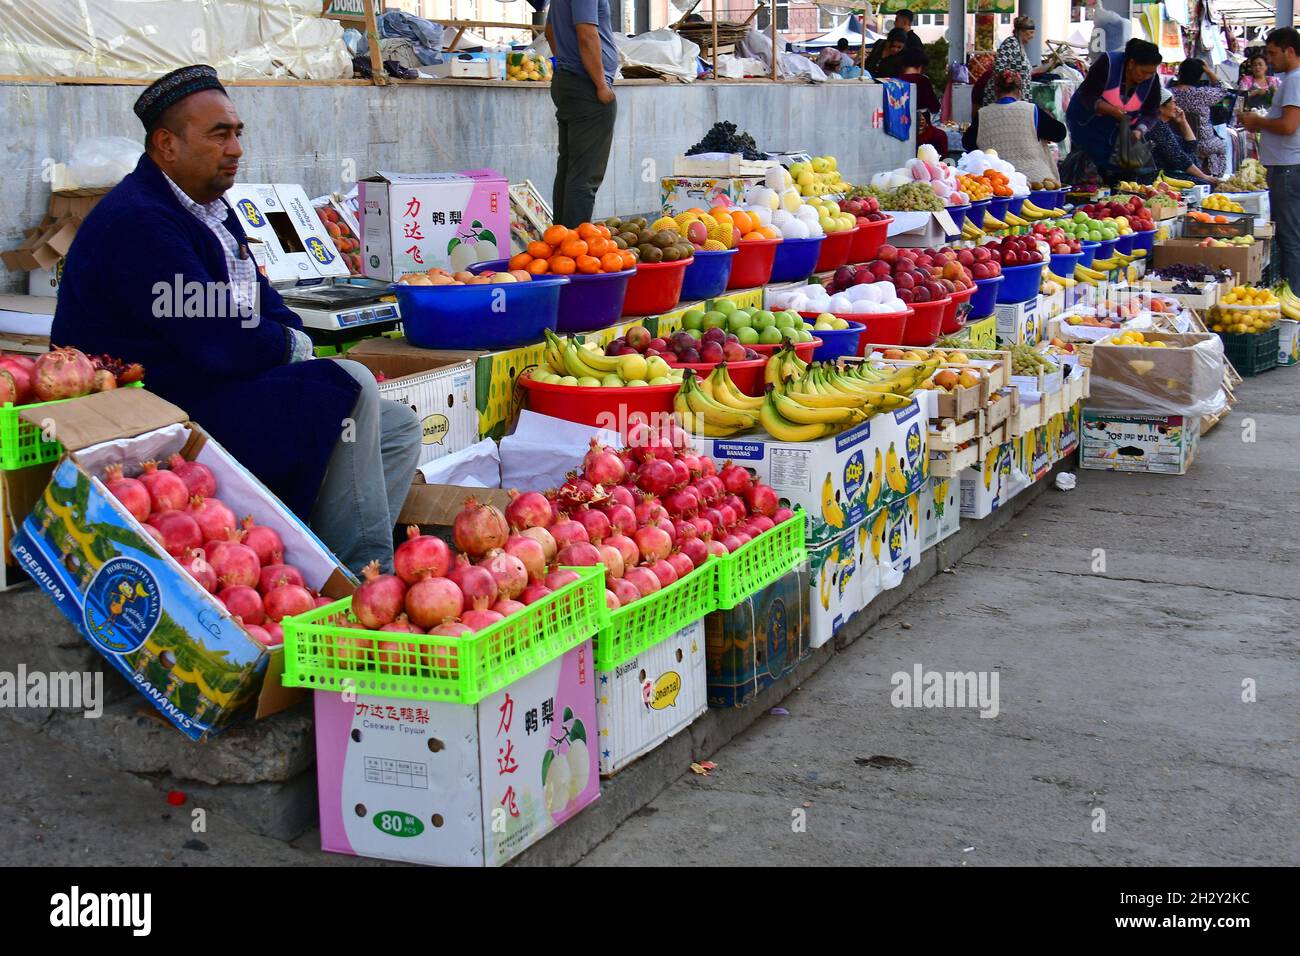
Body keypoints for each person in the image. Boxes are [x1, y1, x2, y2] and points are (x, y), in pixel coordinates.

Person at [51, 66, 421, 575]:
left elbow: (263, 304)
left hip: (216, 386)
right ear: (167, 144)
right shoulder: (139, 221)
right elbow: (219, 340)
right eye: (219, 134)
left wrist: (288, 338)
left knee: (396, 425)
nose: (236, 148)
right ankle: (362, 580)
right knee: (349, 384)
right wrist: (291, 346)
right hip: (161, 414)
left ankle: (314, 562)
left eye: (238, 133)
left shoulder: (210, 209)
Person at [545, 0, 618, 227]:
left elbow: (549, 32)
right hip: (587, 86)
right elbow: (586, 33)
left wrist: (567, 63)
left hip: (570, 80)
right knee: (584, 176)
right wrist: (600, 85)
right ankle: (573, 248)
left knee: (570, 169)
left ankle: (561, 241)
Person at [1238, 28, 1300, 290]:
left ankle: (1293, 297)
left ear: (1289, 51)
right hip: (1288, 166)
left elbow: (1288, 125)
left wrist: (1257, 121)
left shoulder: (1295, 80)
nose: (1270, 60)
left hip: (1288, 168)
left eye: (1273, 53)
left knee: (1289, 238)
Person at [1065, 39, 1164, 184]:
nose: (1147, 77)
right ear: (1131, 63)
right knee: (1087, 178)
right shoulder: (1108, 63)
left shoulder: (1151, 79)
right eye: (1143, 72)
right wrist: (1111, 110)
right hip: (1088, 128)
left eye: (1151, 73)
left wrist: (1139, 131)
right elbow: (1087, 95)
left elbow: (1152, 111)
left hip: (1120, 137)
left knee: (1119, 179)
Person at [962, 69, 1066, 184]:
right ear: (1019, 91)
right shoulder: (1031, 110)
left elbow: (968, 143)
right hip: (1036, 180)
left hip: (997, 182)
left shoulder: (983, 114)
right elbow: (1059, 133)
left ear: (995, 91)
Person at [1148, 86, 1221, 185]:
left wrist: (1183, 122)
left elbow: (1190, 146)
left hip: (1167, 174)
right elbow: (1179, 158)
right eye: (1173, 102)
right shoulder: (1156, 125)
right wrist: (1205, 177)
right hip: (1157, 177)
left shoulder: (1161, 125)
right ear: (1161, 107)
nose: (1176, 107)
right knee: (1205, 183)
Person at [1170, 58, 1229, 178]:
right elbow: (1222, 90)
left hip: (1176, 141)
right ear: (1199, 76)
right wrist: (1209, 71)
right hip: (1202, 143)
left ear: (1180, 73)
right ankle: (1214, 176)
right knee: (1223, 145)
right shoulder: (1202, 94)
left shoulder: (1169, 94)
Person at [892, 47, 947, 156]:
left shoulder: (894, 80)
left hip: (898, 124)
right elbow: (934, 106)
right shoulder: (923, 80)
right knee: (940, 137)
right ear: (920, 66)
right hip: (921, 129)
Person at [983, 16, 1046, 106]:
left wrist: (1050, 64)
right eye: (1030, 32)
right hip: (1005, 100)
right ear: (1021, 31)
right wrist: (1012, 83)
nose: (1032, 36)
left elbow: (1029, 72)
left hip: (1015, 98)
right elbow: (999, 68)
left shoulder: (1020, 46)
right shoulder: (1011, 43)